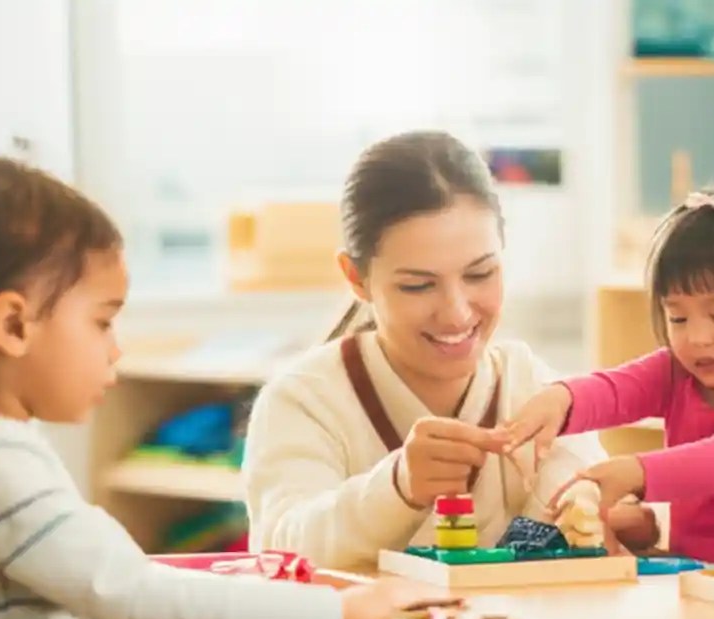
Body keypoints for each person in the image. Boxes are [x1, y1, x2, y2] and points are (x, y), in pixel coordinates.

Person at [0, 158, 420, 619]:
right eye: (102, 322)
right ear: (14, 326)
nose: (115, 349)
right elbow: (135, 596)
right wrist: (341, 612)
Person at [242, 130, 662, 571]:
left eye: (480, 274)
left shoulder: (531, 387)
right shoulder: (304, 400)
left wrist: (606, 515)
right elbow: (279, 551)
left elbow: (593, 512)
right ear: (356, 277)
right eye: (418, 285)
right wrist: (399, 487)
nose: (457, 314)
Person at [504, 186, 714, 564]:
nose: (697, 338)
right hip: (693, 576)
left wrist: (636, 473)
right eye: (677, 317)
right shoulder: (676, 373)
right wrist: (560, 399)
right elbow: (614, 390)